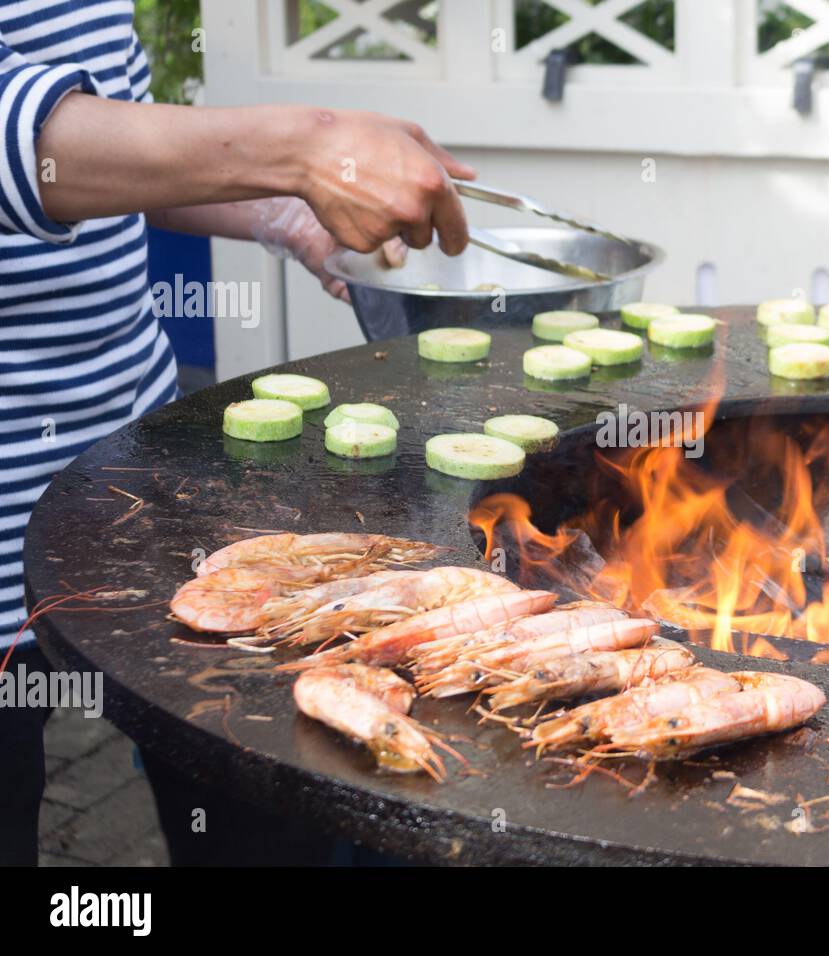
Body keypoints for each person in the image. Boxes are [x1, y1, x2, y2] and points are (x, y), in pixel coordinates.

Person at [0, 1, 475, 865]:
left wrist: (288, 211)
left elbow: (115, 157)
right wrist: (307, 145)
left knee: (255, 820)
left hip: (130, 498)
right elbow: (26, 145)